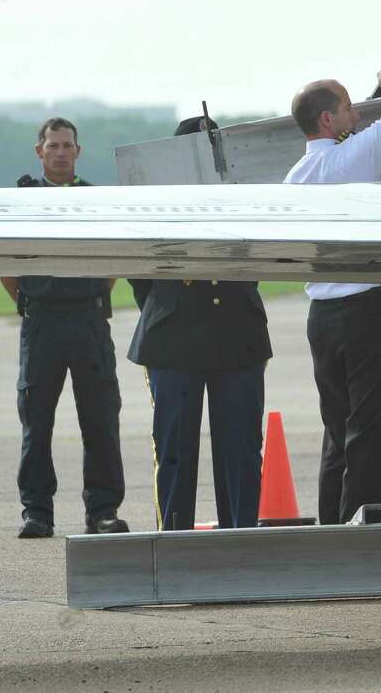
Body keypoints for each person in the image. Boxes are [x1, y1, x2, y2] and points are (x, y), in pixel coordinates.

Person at [282, 68, 381, 525]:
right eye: (348, 106)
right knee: (373, 431)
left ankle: (332, 528)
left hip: (322, 316)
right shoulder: (352, 159)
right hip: (367, 311)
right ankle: (365, 535)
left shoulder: (298, 174)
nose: (358, 112)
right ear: (328, 120)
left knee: (339, 431)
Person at [127, 116, 272, 531]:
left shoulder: (242, 195)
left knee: (242, 450)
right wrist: (166, 308)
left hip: (237, 333)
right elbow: (140, 270)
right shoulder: (156, 201)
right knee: (174, 449)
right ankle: (173, 542)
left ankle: (240, 540)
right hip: (173, 339)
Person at [0, 117, 128, 538]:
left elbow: (112, 264)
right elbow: (5, 267)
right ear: (39, 151)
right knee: (36, 420)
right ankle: (37, 511)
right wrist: (31, 301)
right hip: (42, 321)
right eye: (52, 145)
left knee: (100, 418)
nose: (59, 152)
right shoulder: (22, 202)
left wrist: (89, 295)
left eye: (66, 145)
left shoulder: (95, 201)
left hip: (88, 319)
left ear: (78, 151)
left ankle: (103, 510)